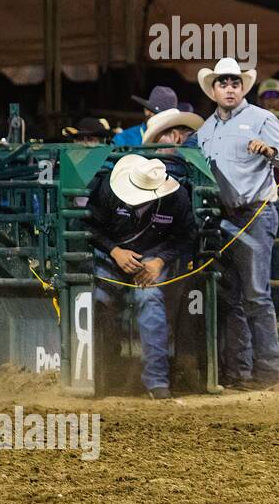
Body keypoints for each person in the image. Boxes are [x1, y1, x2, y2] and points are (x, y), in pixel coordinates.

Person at [195, 56, 279, 390]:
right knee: (231, 296)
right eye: (223, 83)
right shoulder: (205, 130)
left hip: (254, 213)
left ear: (242, 88)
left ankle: (268, 371)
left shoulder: (261, 119)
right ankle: (239, 371)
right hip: (222, 217)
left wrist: (270, 151)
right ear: (213, 89)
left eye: (235, 83)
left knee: (255, 294)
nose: (229, 88)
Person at [84, 154, 196, 399]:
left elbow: (187, 236)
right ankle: (104, 371)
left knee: (151, 299)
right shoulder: (107, 189)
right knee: (101, 300)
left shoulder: (176, 198)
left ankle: (156, 381)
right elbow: (89, 226)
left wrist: (160, 260)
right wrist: (114, 251)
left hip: (154, 256)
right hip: (112, 253)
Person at [113, 86, 178, 147]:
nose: (164, 122)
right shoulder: (124, 139)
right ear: (147, 111)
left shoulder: (180, 140)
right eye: (159, 116)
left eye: (168, 118)